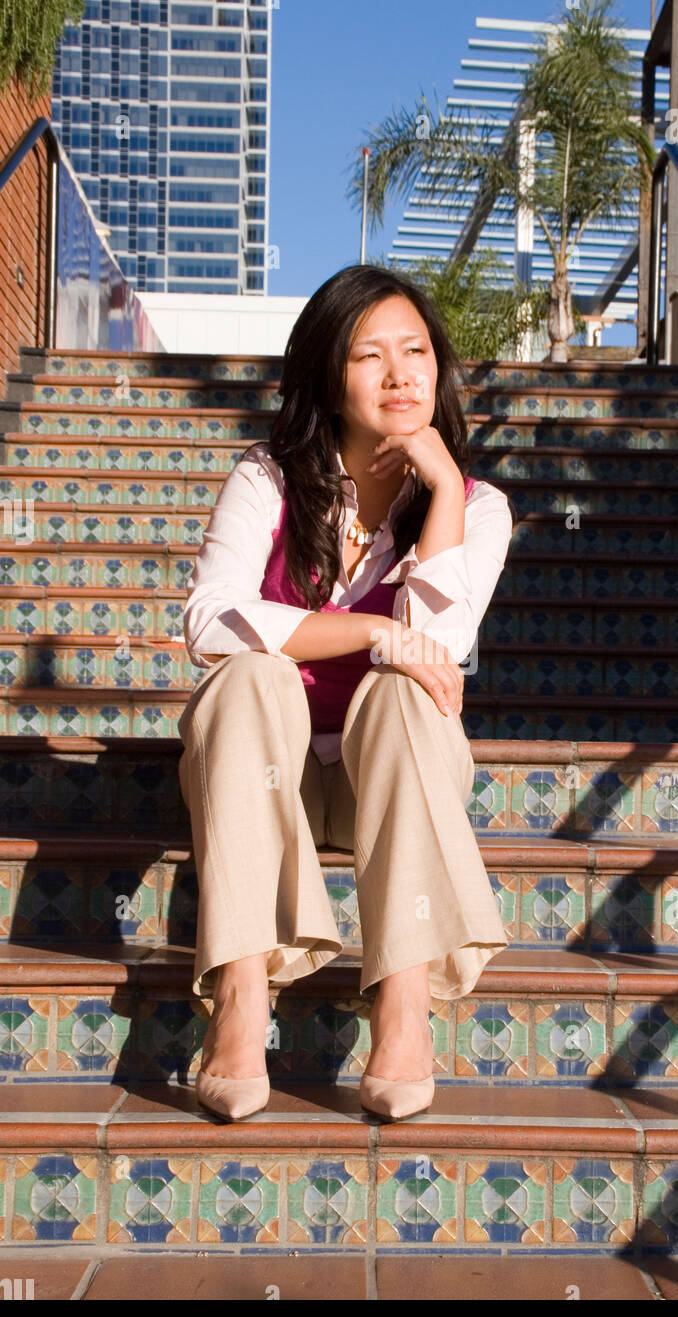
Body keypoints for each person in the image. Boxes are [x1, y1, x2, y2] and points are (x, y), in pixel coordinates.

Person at [177, 263, 514, 1123]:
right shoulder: (267, 479)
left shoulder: (476, 507)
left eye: (415, 352)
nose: (401, 375)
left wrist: (438, 489)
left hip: (388, 775)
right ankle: (244, 997)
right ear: (329, 375)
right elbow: (210, 620)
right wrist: (366, 628)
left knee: (406, 689)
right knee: (248, 674)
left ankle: (402, 1002)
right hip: (268, 779)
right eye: (370, 356)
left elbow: (440, 649)